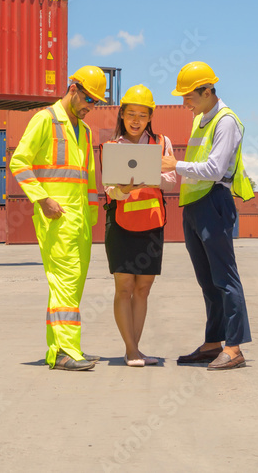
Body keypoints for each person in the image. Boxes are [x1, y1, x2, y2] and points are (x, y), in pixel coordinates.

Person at [161, 62, 255, 371]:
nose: (184, 104)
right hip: (195, 205)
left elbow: (214, 169)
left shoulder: (226, 122)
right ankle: (214, 341)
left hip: (214, 202)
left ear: (207, 91)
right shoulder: (202, 119)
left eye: (188, 97)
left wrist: (175, 166)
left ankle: (234, 347)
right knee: (208, 281)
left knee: (225, 279)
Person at [10, 66, 105, 371]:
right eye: (89, 99)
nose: (91, 106)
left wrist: (91, 215)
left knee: (70, 284)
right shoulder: (44, 120)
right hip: (56, 216)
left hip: (79, 219)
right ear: (73, 88)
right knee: (65, 281)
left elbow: (88, 178)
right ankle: (67, 351)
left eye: (97, 102)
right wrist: (42, 198)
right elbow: (19, 162)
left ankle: (60, 350)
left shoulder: (86, 131)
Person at [101, 84, 176, 367]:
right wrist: (122, 188)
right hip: (120, 224)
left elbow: (171, 180)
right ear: (121, 115)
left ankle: (137, 348)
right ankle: (131, 349)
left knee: (143, 288)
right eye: (130, 113)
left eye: (142, 115)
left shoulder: (162, 142)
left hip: (152, 223)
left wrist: (148, 177)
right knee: (123, 286)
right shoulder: (111, 147)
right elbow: (109, 189)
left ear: (150, 117)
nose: (136, 120)